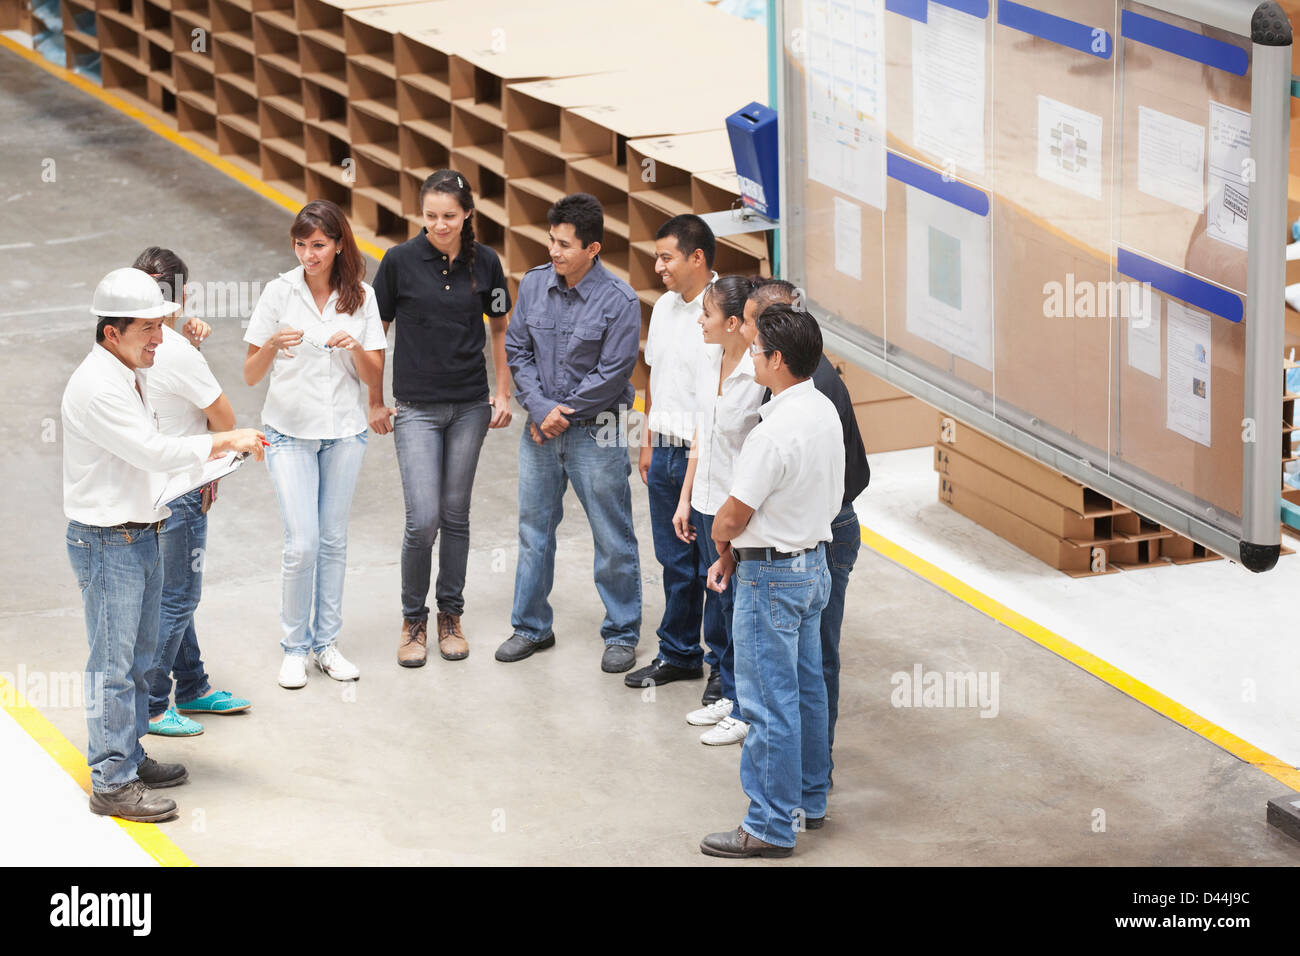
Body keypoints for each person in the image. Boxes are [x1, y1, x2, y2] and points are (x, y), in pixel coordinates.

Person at [63, 266, 264, 821]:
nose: (160, 337)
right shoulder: (99, 386)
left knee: (139, 660)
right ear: (112, 332)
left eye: (161, 324)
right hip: (109, 543)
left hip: (138, 533)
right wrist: (224, 439)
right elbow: (152, 451)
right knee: (113, 664)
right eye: (148, 328)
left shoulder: (130, 371)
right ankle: (111, 782)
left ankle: (127, 756)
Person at [698, 305, 844, 859]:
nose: (750, 355)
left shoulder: (773, 432)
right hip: (813, 569)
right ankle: (809, 799)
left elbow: (732, 517)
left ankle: (768, 827)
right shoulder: (823, 408)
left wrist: (722, 542)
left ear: (777, 359)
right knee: (808, 691)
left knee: (766, 706)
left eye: (756, 349)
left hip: (771, 581)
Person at [370, 171, 513, 667]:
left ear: (468, 214)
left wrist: (503, 391)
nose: (439, 225)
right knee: (423, 518)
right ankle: (414, 619)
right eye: (430, 216)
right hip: (415, 408)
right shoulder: (398, 263)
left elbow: (500, 330)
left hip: (471, 405)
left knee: (456, 515)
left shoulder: (488, 264)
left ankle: (450, 614)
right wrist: (374, 399)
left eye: (449, 216)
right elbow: (376, 333)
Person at [243, 200, 387, 689]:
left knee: (332, 541)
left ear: (339, 244)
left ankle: (327, 644)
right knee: (301, 543)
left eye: (319, 245)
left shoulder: (362, 296)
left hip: (345, 432)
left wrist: (353, 346)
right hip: (288, 433)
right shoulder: (278, 293)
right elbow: (249, 374)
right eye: (301, 245)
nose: (309, 254)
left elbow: (375, 376)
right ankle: (294, 648)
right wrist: (270, 345)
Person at [498, 192, 643, 673]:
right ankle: (530, 627)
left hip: (597, 430)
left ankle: (622, 632)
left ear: (593, 249)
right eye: (551, 241)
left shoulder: (620, 301)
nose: (554, 252)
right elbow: (516, 349)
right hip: (541, 429)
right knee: (533, 531)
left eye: (565, 244)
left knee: (611, 533)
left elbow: (614, 371)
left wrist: (562, 412)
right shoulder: (535, 285)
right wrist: (541, 410)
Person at [744, 279, 869, 776]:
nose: (748, 336)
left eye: (755, 326)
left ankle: (808, 773)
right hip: (817, 529)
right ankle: (810, 776)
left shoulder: (810, 390)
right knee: (805, 668)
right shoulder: (796, 383)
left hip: (822, 532)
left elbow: (838, 477)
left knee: (811, 664)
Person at [133, 247, 251, 736]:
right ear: (182, 298)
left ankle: (195, 685)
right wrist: (215, 471)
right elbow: (224, 422)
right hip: (182, 486)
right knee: (179, 597)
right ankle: (156, 705)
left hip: (150, 482)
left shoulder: (126, 345)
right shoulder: (177, 350)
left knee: (169, 589)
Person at [623, 214, 722, 698]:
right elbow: (651, 376)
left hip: (706, 457)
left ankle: (724, 666)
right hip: (663, 449)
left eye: (667, 257)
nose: (657, 265)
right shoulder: (662, 307)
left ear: (697, 258)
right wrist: (646, 440)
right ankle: (680, 653)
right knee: (674, 560)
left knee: (714, 565)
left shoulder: (726, 310)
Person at [672, 276, 767, 746]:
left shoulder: (758, 377)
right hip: (706, 502)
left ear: (733, 323)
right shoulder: (708, 358)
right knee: (718, 607)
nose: (699, 320)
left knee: (739, 611)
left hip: (737, 510)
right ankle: (728, 695)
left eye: (706, 314)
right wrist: (686, 497)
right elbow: (700, 435)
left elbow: (755, 455)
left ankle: (746, 707)